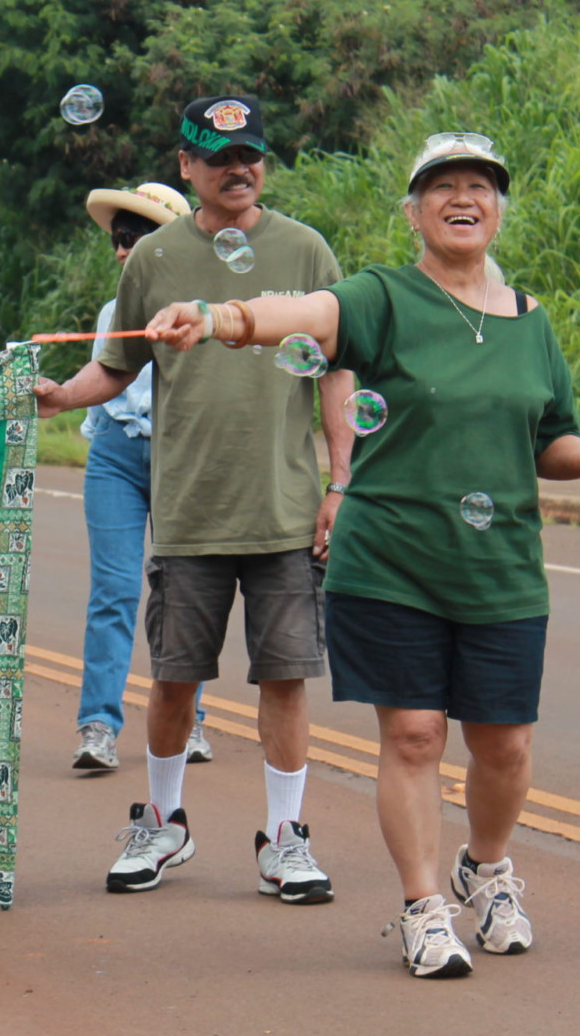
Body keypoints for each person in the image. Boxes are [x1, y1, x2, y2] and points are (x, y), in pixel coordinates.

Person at [144, 131, 580, 976]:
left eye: (481, 187)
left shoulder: (532, 323)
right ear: (415, 211)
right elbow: (305, 315)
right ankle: (424, 904)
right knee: (416, 735)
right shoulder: (384, 297)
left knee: (505, 746)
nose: (465, 199)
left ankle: (485, 870)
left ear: (498, 208)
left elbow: (552, 438)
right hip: (391, 560)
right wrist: (223, 318)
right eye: (444, 187)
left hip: (499, 565)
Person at [33, 95, 352, 903]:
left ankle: (287, 836)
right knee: (175, 677)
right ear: (186, 166)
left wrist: (340, 482)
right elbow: (117, 364)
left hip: (281, 503)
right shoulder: (155, 260)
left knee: (285, 677)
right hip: (189, 508)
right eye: (217, 157)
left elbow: (341, 367)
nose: (237, 170)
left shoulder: (307, 251)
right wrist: (65, 398)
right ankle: (164, 822)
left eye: (250, 155)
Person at [67, 182, 209, 772]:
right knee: (115, 594)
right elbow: (105, 378)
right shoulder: (113, 312)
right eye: (118, 240)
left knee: (185, 596)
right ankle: (98, 725)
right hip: (117, 454)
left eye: (137, 237)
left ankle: (190, 723)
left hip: (184, 458)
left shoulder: (209, 314)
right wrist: (60, 397)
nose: (124, 251)